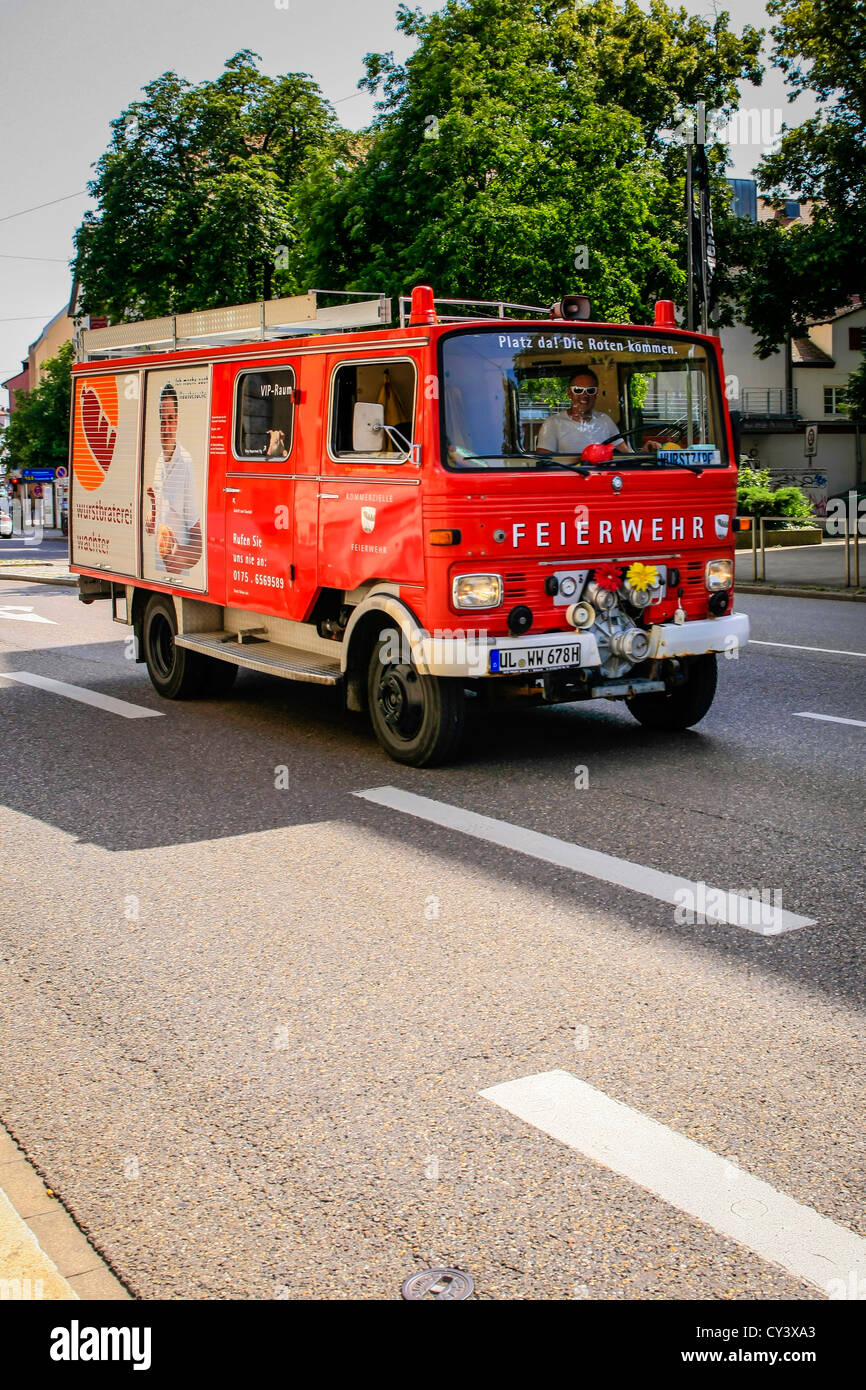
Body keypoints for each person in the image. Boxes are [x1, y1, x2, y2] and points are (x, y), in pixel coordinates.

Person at [144, 382, 202, 574]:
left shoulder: (185, 463)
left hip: (178, 577)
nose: (167, 427)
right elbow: (160, 515)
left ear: (177, 421)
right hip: (157, 571)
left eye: (171, 419)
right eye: (163, 420)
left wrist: (181, 556)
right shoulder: (158, 462)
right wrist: (151, 520)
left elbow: (198, 542)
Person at [535, 369, 632, 458]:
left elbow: (626, 454)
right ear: (569, 393)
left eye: (590, 391)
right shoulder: (553, 423)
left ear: (596, 394)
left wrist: (644, 453)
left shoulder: (605, 420)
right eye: (578, 390)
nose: (584, 395)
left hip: (600, 475)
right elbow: (543, 462)